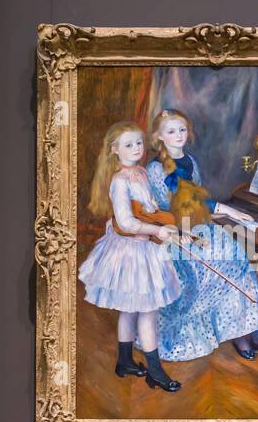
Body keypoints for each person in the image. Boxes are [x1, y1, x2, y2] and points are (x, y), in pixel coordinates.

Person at [144, 109, 258, 362]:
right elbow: (177, 205)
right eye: (171, 131)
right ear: (158, 137)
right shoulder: (155, 169)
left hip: (200, 226)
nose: (179, 135)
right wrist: (229, 210)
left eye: (182, 129)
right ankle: (238, 334)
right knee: (221, 266)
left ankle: (254, 330)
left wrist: (225, 215)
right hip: (177, 233)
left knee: (238, 260)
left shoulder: (191, 162)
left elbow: (199, 202)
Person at [78, 120, 185, 391]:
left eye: (138, 142)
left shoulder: (139, 172)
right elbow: (125, 223)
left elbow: (145, 210)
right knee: (147, 312)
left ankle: (124, 361)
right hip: (131, 252)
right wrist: (157, 231)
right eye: (128, 144)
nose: (136, 148)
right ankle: (156, 372)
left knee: (130, 309)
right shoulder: (119, 180)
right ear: (114, 149)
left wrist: (163, 222)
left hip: (145, 246)